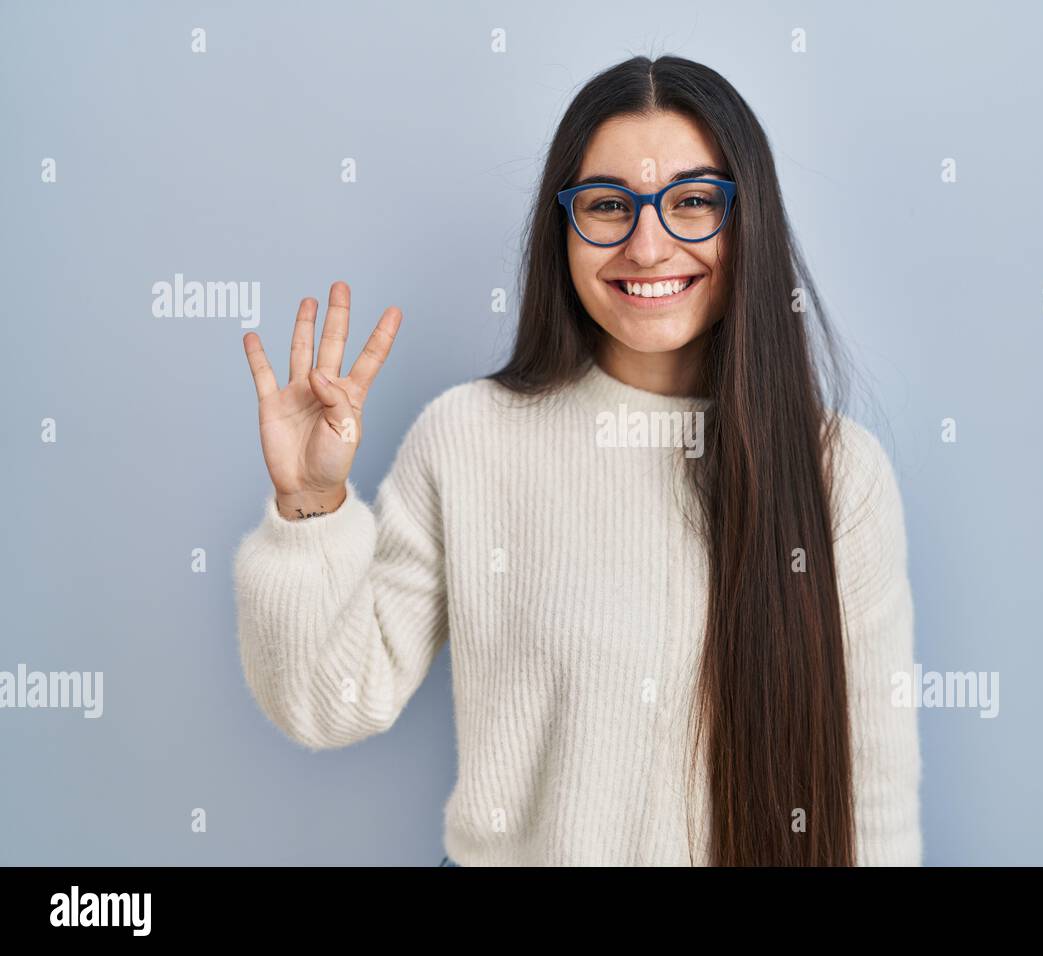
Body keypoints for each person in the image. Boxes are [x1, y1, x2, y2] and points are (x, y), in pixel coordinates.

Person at [234, 54, 921, 867]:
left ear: (749, 222)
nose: (649, 244)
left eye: (694, 202)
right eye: (607, 206)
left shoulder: (841, 473)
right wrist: (311, 505)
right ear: (562, 228)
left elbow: (869, 796)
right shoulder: (468, 438)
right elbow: (329, 703)